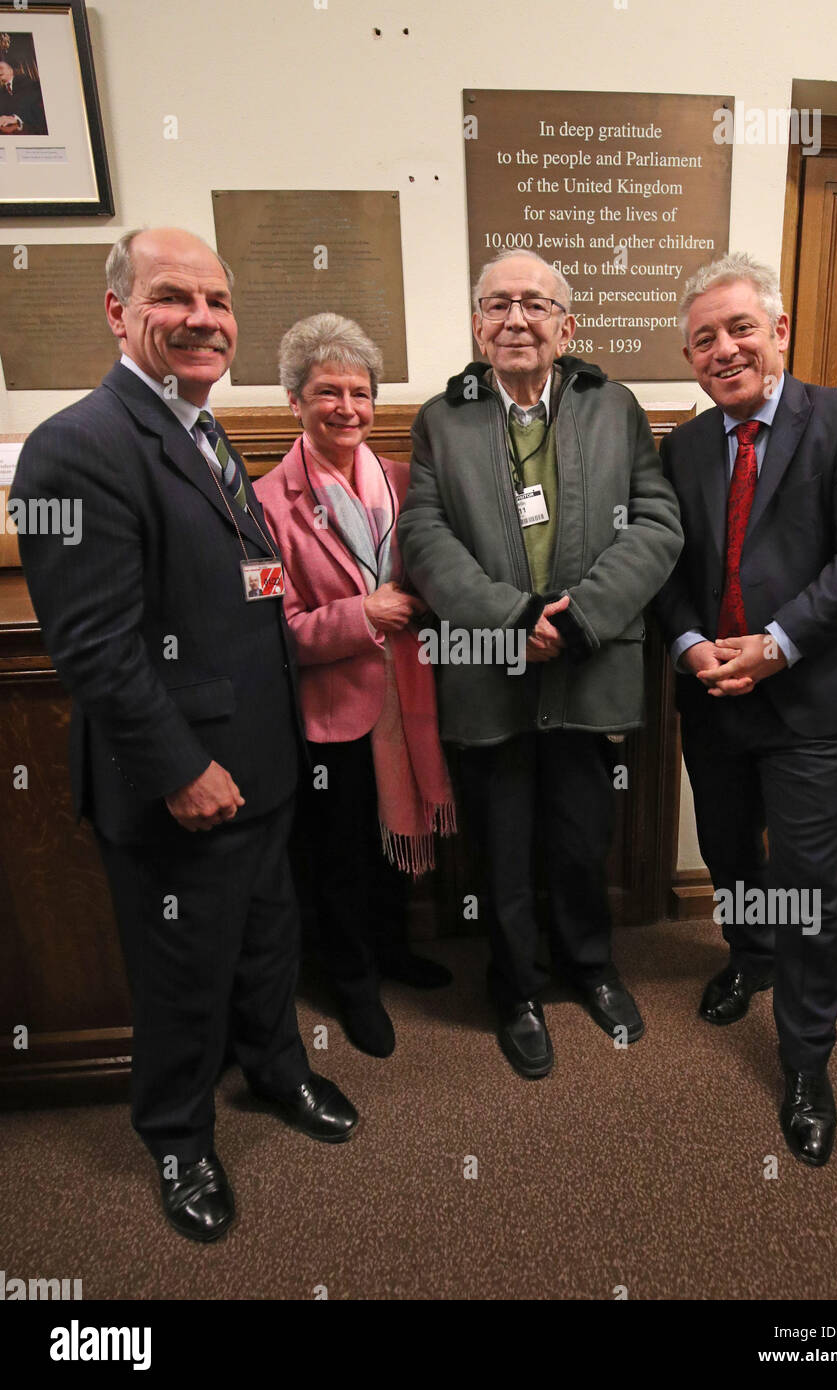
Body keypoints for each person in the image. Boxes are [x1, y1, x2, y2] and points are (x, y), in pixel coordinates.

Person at [10, 228, 358, 1243]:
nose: (203, 317)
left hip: (259, 764)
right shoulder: (77, 447)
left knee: (263, 945)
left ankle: (278, 1072)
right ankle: (175, 1135)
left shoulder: (203, 429)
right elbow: (94, 647)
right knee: (179, 971)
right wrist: (181, 767)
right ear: (118, 311)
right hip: (179, 784)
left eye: (217, 299)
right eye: (174, 297)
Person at [398, 251, 682, 1080]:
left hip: (590, 672)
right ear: (477, 323)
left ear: (567, 324)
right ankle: (515, 988)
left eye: (534, 304)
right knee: (504, 845)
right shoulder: (439, 420)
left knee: (580, 838)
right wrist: (510, 617)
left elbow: (657, 524)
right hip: (490, 671)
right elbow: (423, 537)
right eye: (497, 304)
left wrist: (583, 616)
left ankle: (590, 969)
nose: (515, 319)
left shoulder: (614, 406)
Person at [653, 251, 837, 1166]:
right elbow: (668, 573)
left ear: (779, 331)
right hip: (714, 696)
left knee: (804, 880)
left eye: (739, 329)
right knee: (726, 852)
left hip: (808, 699)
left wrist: (776, 644)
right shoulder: (678, 450)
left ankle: (805, 1060)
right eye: (703, 340)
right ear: (689, 358)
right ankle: (747, 956)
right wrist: (690, 646)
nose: (724, 350)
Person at [255, 312, 455, 1059]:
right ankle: (353, 980)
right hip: (332, 715)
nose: (347, 407)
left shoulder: (404, 482)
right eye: (326, 392)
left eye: (360, 392)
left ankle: (394, 950)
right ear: (294, 401)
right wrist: (359, 614)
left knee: (397, 841)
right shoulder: (264, 503)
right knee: (339, 856)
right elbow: (272, 631)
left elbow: (437, 573)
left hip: (413, 701)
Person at [0, 59, 48, 135]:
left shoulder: (25, 81)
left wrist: (15, 118)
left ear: (11, 70)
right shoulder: (2, 91)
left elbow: (28, 102)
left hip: (35, 127)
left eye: (1, 68)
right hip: (11, 130)